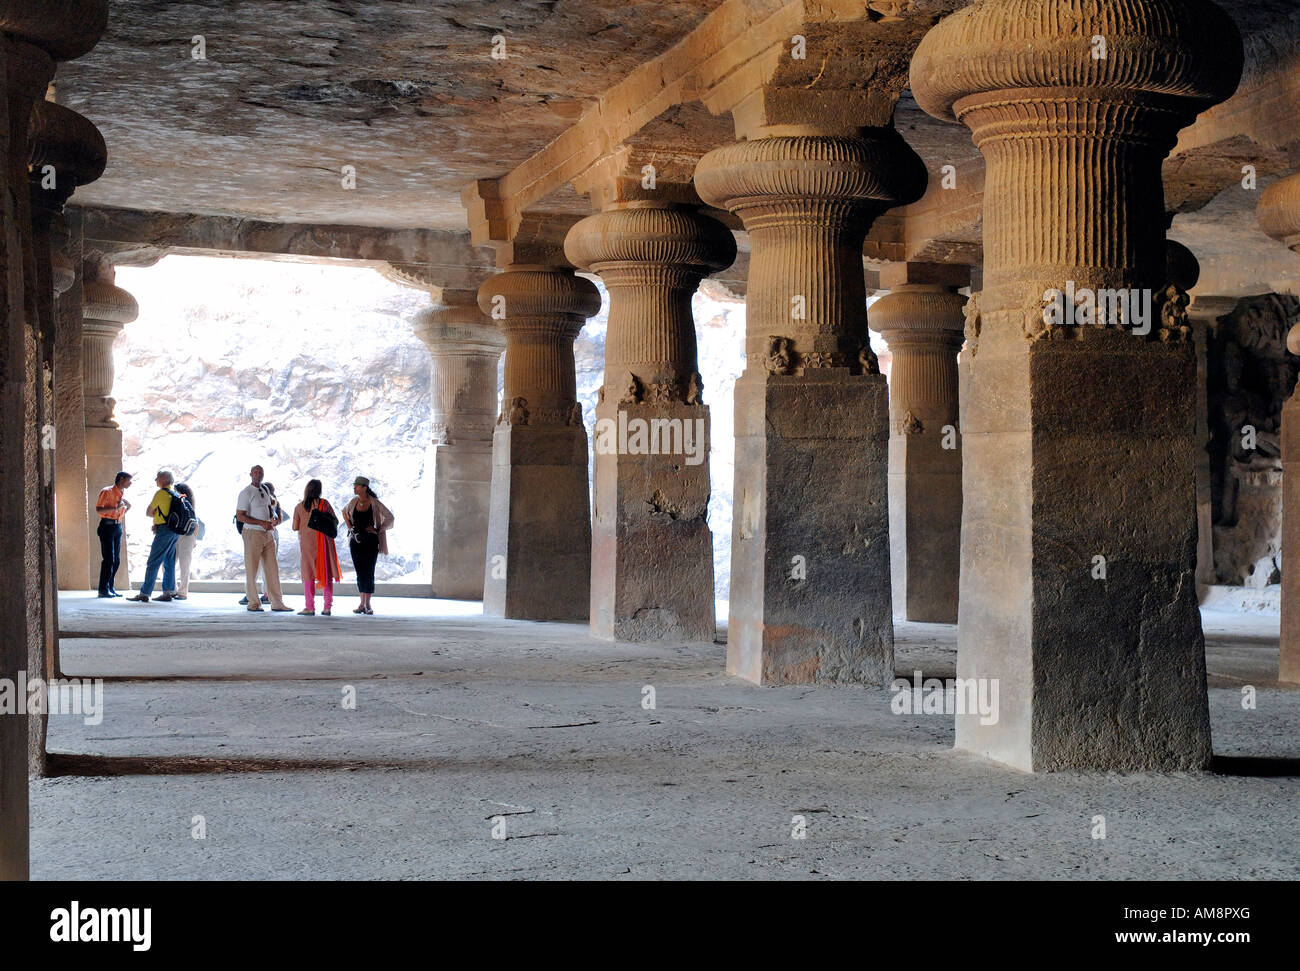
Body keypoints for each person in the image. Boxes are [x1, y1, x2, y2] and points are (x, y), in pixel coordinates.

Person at [234, 464, 292, 613]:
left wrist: (274, 518)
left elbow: (271, 506)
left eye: (261, 472)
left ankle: (277, 602)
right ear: (251, 474)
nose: (259, 474)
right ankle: (253, 602)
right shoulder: (245, 493)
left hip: (268, 533)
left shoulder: (265, 489)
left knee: (272, 568)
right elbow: (240, 515)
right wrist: (261, 522)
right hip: (253, 533)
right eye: (256, 472)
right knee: (252, 569)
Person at [342, 476, 394, 615]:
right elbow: (344, 512)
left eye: (357, 486)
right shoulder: (353, 501)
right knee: (360, 571)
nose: (354, 488)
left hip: (370, 540)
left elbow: (390, 517)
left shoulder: (374, 503)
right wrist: (350, 528)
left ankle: (368, 604)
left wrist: (378, 529)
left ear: (364, 487)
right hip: (356, 540)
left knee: (369, 571)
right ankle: (361, 603)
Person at [127, 470, 180, 603]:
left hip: (163, 530)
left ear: (163, 480)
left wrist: (156, 514)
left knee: (153, 562)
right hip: (174, 531)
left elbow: (148, 512)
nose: (156, 480)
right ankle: (168, 592)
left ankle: (145, 593)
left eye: (157, 478)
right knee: (169, 562)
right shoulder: (174, 494)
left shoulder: (160, 493)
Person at [292, 479, 342, 616]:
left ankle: (309, 607)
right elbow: (335, 520)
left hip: (307, 545)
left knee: (308, 575)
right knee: (326, 573)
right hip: (324, 544)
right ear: (319, 490)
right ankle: (327, 607)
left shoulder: (299, 506)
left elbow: (295, 527)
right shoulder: (324, 504)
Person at [93, 471, 132, 598]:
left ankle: (110, 587)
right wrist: (115, 508)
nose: (130, 483)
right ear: (121, 479)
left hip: (117, 526)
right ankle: (103, 589)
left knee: (117, 560)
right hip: (107, 526)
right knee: (109, 559)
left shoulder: (121, 494)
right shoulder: (107, 491)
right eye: (128, 480)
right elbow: (99, 509)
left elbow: (119, 512)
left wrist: (127, 507)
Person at [172, 482, 204, 601]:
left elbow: (195, 523)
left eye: (175, 490)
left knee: (179, 564)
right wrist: (194, 539)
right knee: (183, 564)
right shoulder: (189, 505)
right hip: (186, 536)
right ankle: (179, 591)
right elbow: (196, 524)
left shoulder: (183, 503)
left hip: (182, 535)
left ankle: (179, 591)